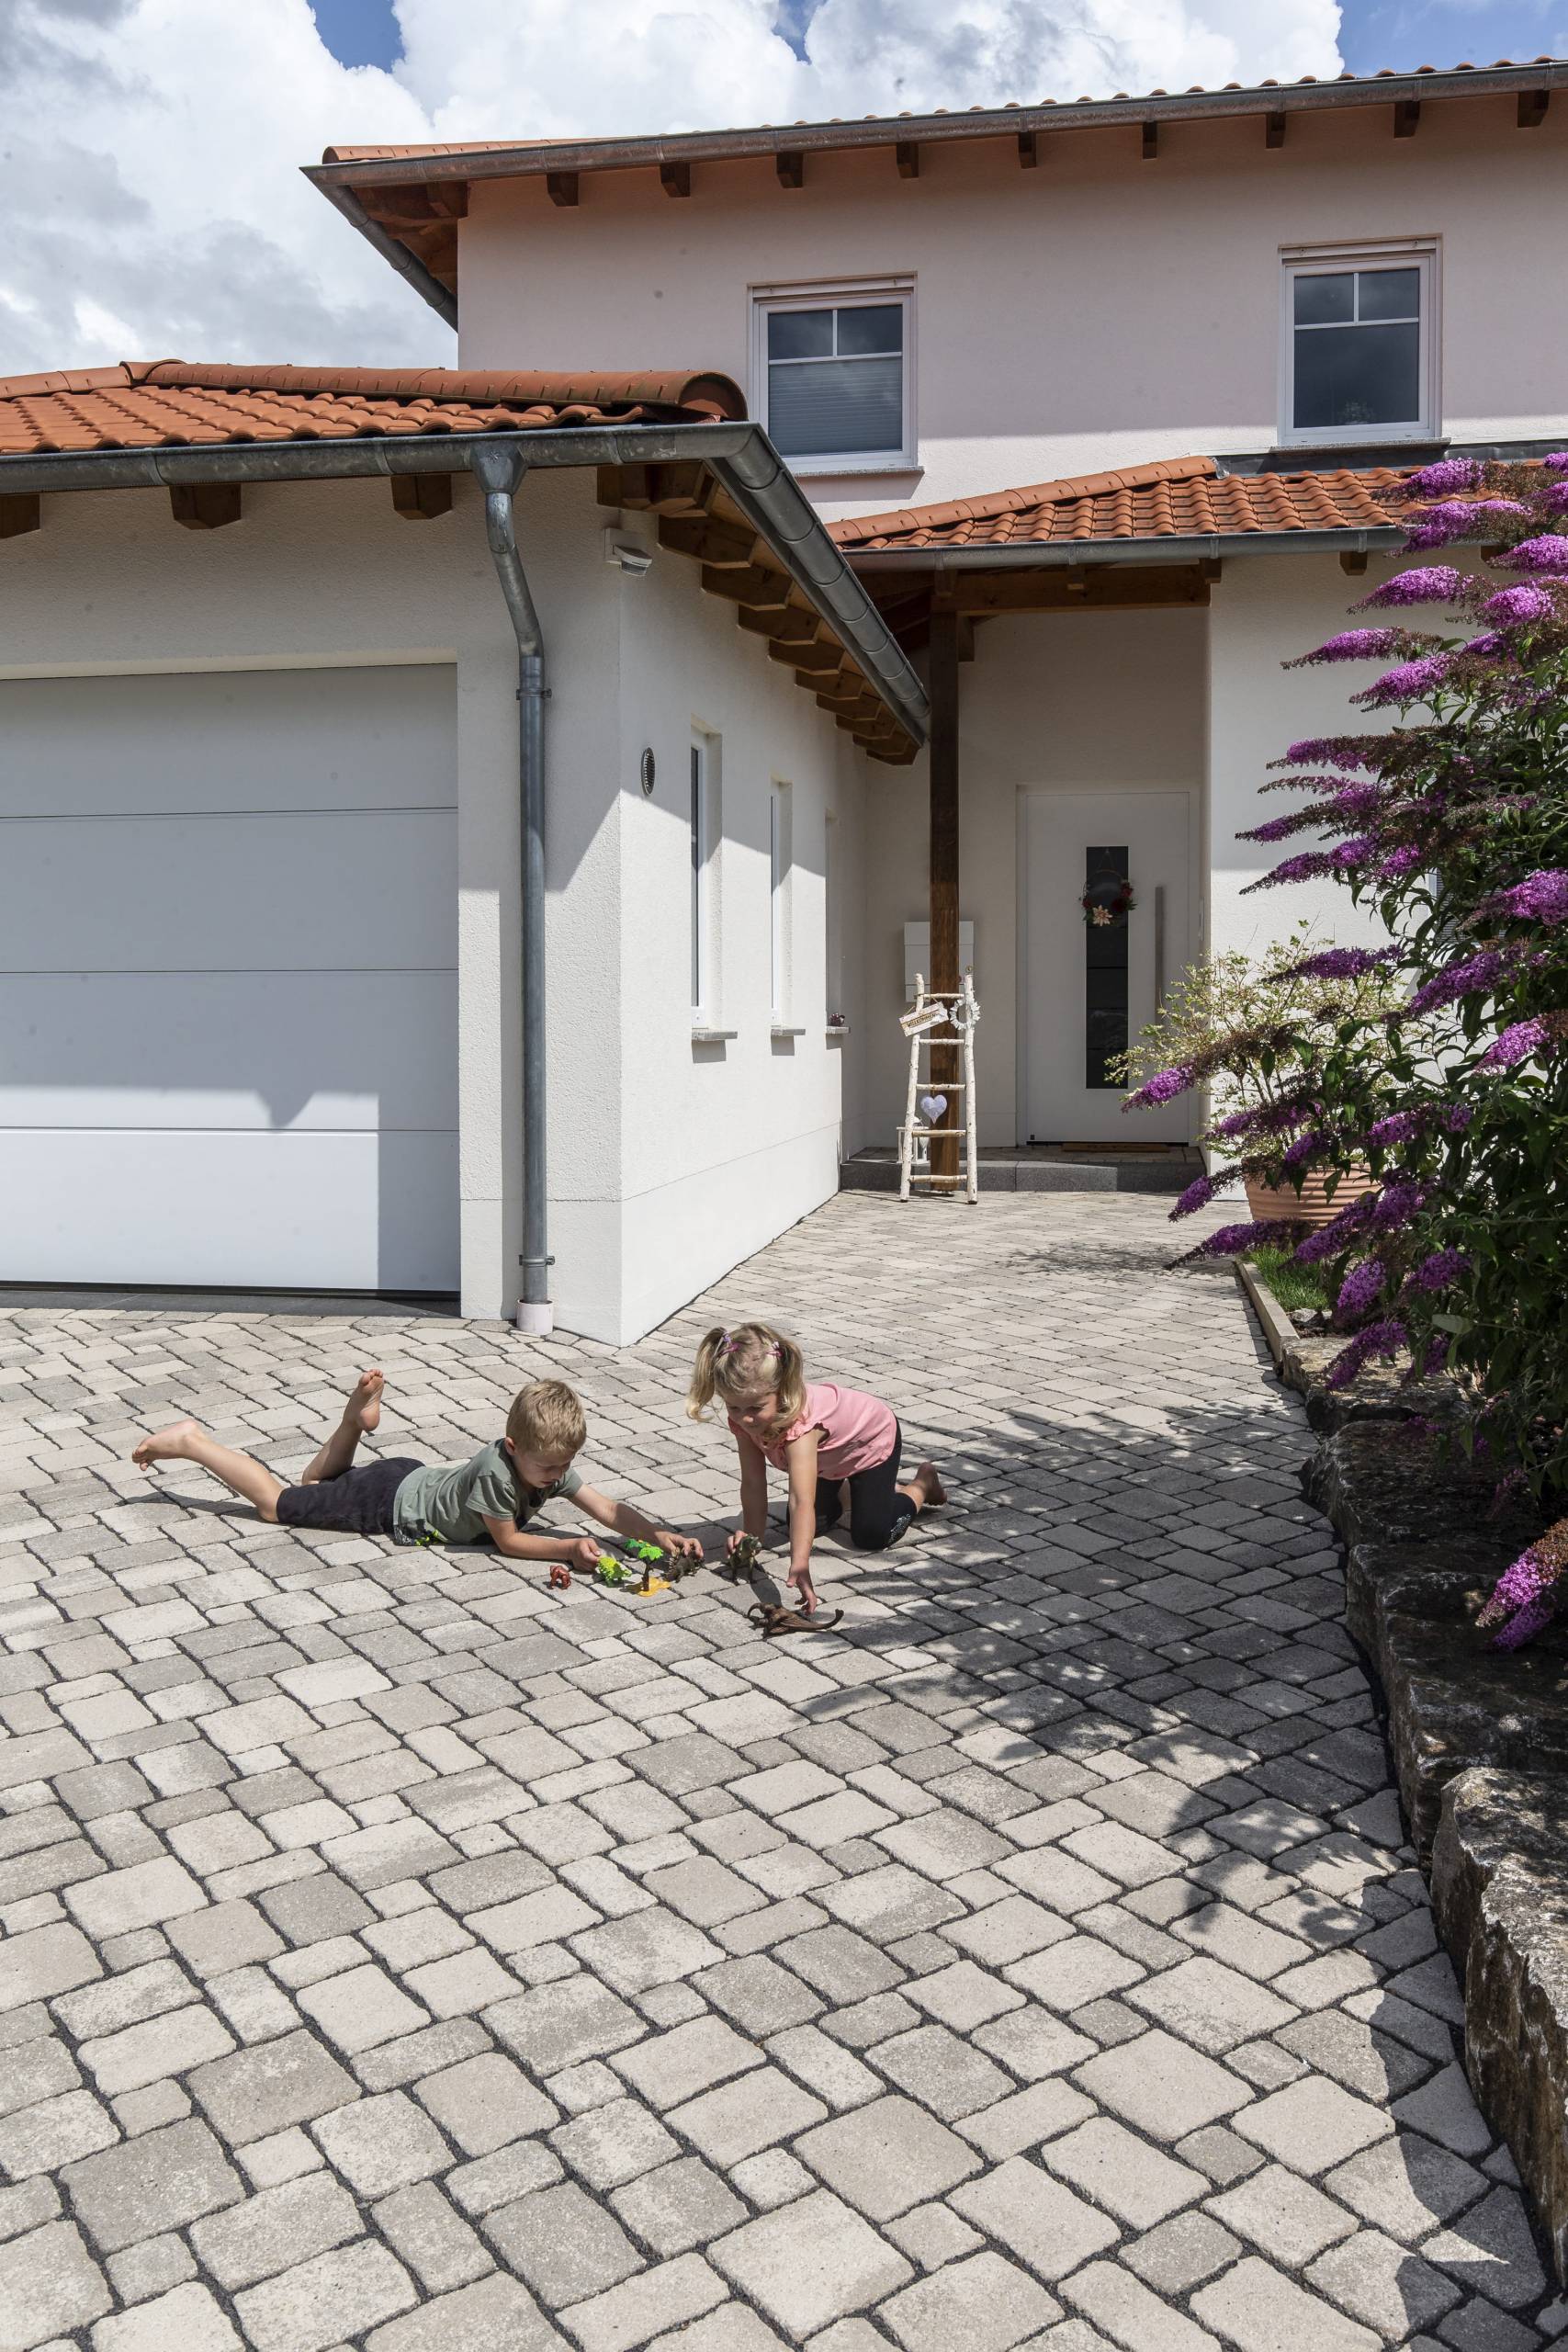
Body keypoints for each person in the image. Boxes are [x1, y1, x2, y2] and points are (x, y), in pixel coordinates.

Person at [132, 1373, 702, 1572]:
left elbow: (606, 1509)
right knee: (279, 1504)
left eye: (565, 1464)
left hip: (410, 1477)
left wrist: (658, 1536)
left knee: (315, 1486)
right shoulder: (498, 1475)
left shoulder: (546, 1464)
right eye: (550, 1466)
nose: (559, 1475)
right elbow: (508, 1543)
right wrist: (569, 1548)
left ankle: (354, 1422)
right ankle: (193, 1443)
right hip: (387, 1502)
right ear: (513, 1447)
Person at [687, 1321, 944, 1615]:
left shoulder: (801, 1427)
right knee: (810, 1524)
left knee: (872, 1534)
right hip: (828, 1461)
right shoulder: (746, 1421)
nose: (745, 1419)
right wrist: (751, 1540)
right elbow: (754, 1484)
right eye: (734, 1408)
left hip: (871, 1443)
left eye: (756, 1408)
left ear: (782, 1391)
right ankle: (857, 1493)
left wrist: (800, 1563)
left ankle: (921, 1485)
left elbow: (800, 1500)